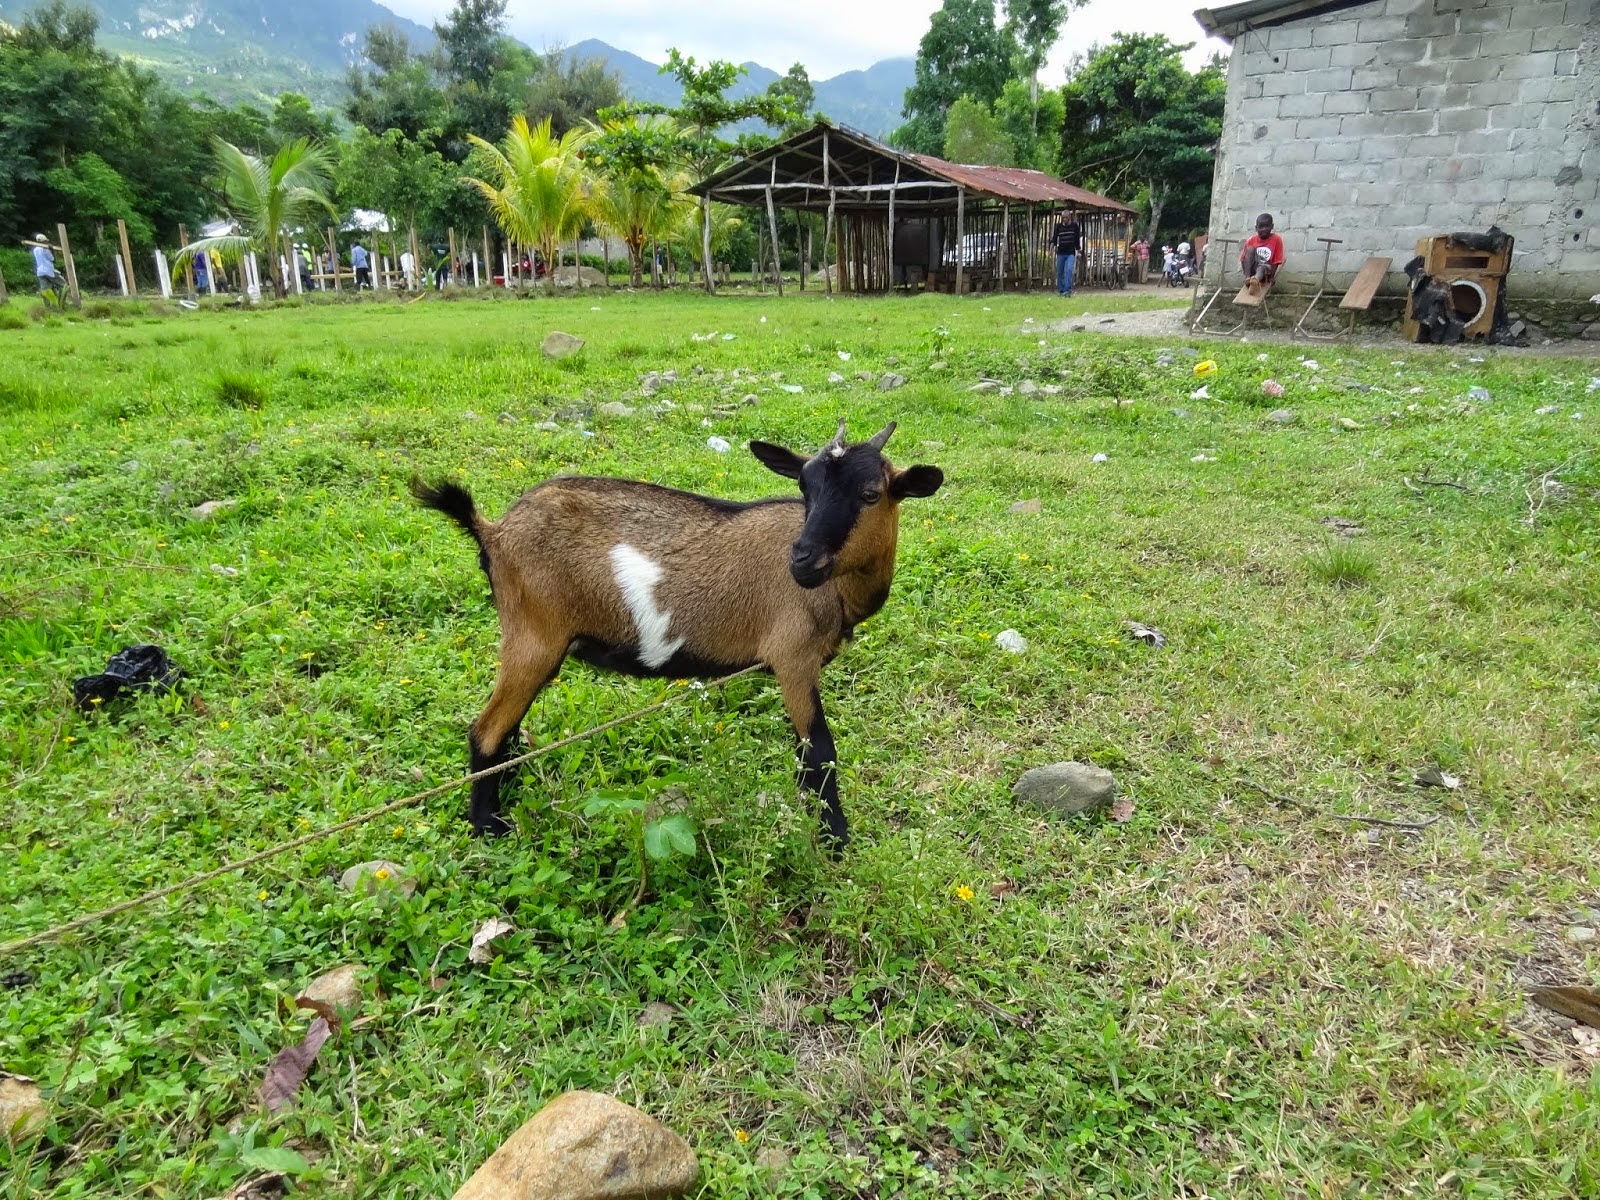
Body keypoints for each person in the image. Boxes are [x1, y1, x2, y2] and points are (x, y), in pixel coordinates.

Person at [1239, 213, 1285, 288]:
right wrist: (1246, 274)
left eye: (1267, 226)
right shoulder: (1251, 240)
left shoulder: (1276, 240)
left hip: (1265, 270)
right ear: (1256, 228)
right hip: (1252, 269)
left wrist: (1272, 277)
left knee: (1261, 268)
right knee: (1250, 249)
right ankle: (1248, 279)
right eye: (1261, 227)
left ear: (1272, 226)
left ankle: (1255, 280)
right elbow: (1243, 259)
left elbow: (1276, 261)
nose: (1264, 229)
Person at [27, 233, 65, 302]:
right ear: (44, 241)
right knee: (63, 285)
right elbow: (52, 259)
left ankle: (48, 307)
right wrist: (52, 250)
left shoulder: (35, 250)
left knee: (45, 290)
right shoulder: (46, 250)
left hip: (40, 272)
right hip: (49, 271)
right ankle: (61, 302)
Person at [1052, 209, 1081, 297]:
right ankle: (1061, 290)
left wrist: (1078, 250)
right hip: (1061, 252)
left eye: (1066, 217)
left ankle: (1067, 290)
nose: (1064, 219)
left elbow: (1077, 239)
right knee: (1060, 272)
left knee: (1069, 270)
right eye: (1063, 217)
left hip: (1070, 253)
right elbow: (1054, 238)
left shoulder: (1074, 226)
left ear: (1069, 217)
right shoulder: (1058, 227)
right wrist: (1052, 247)